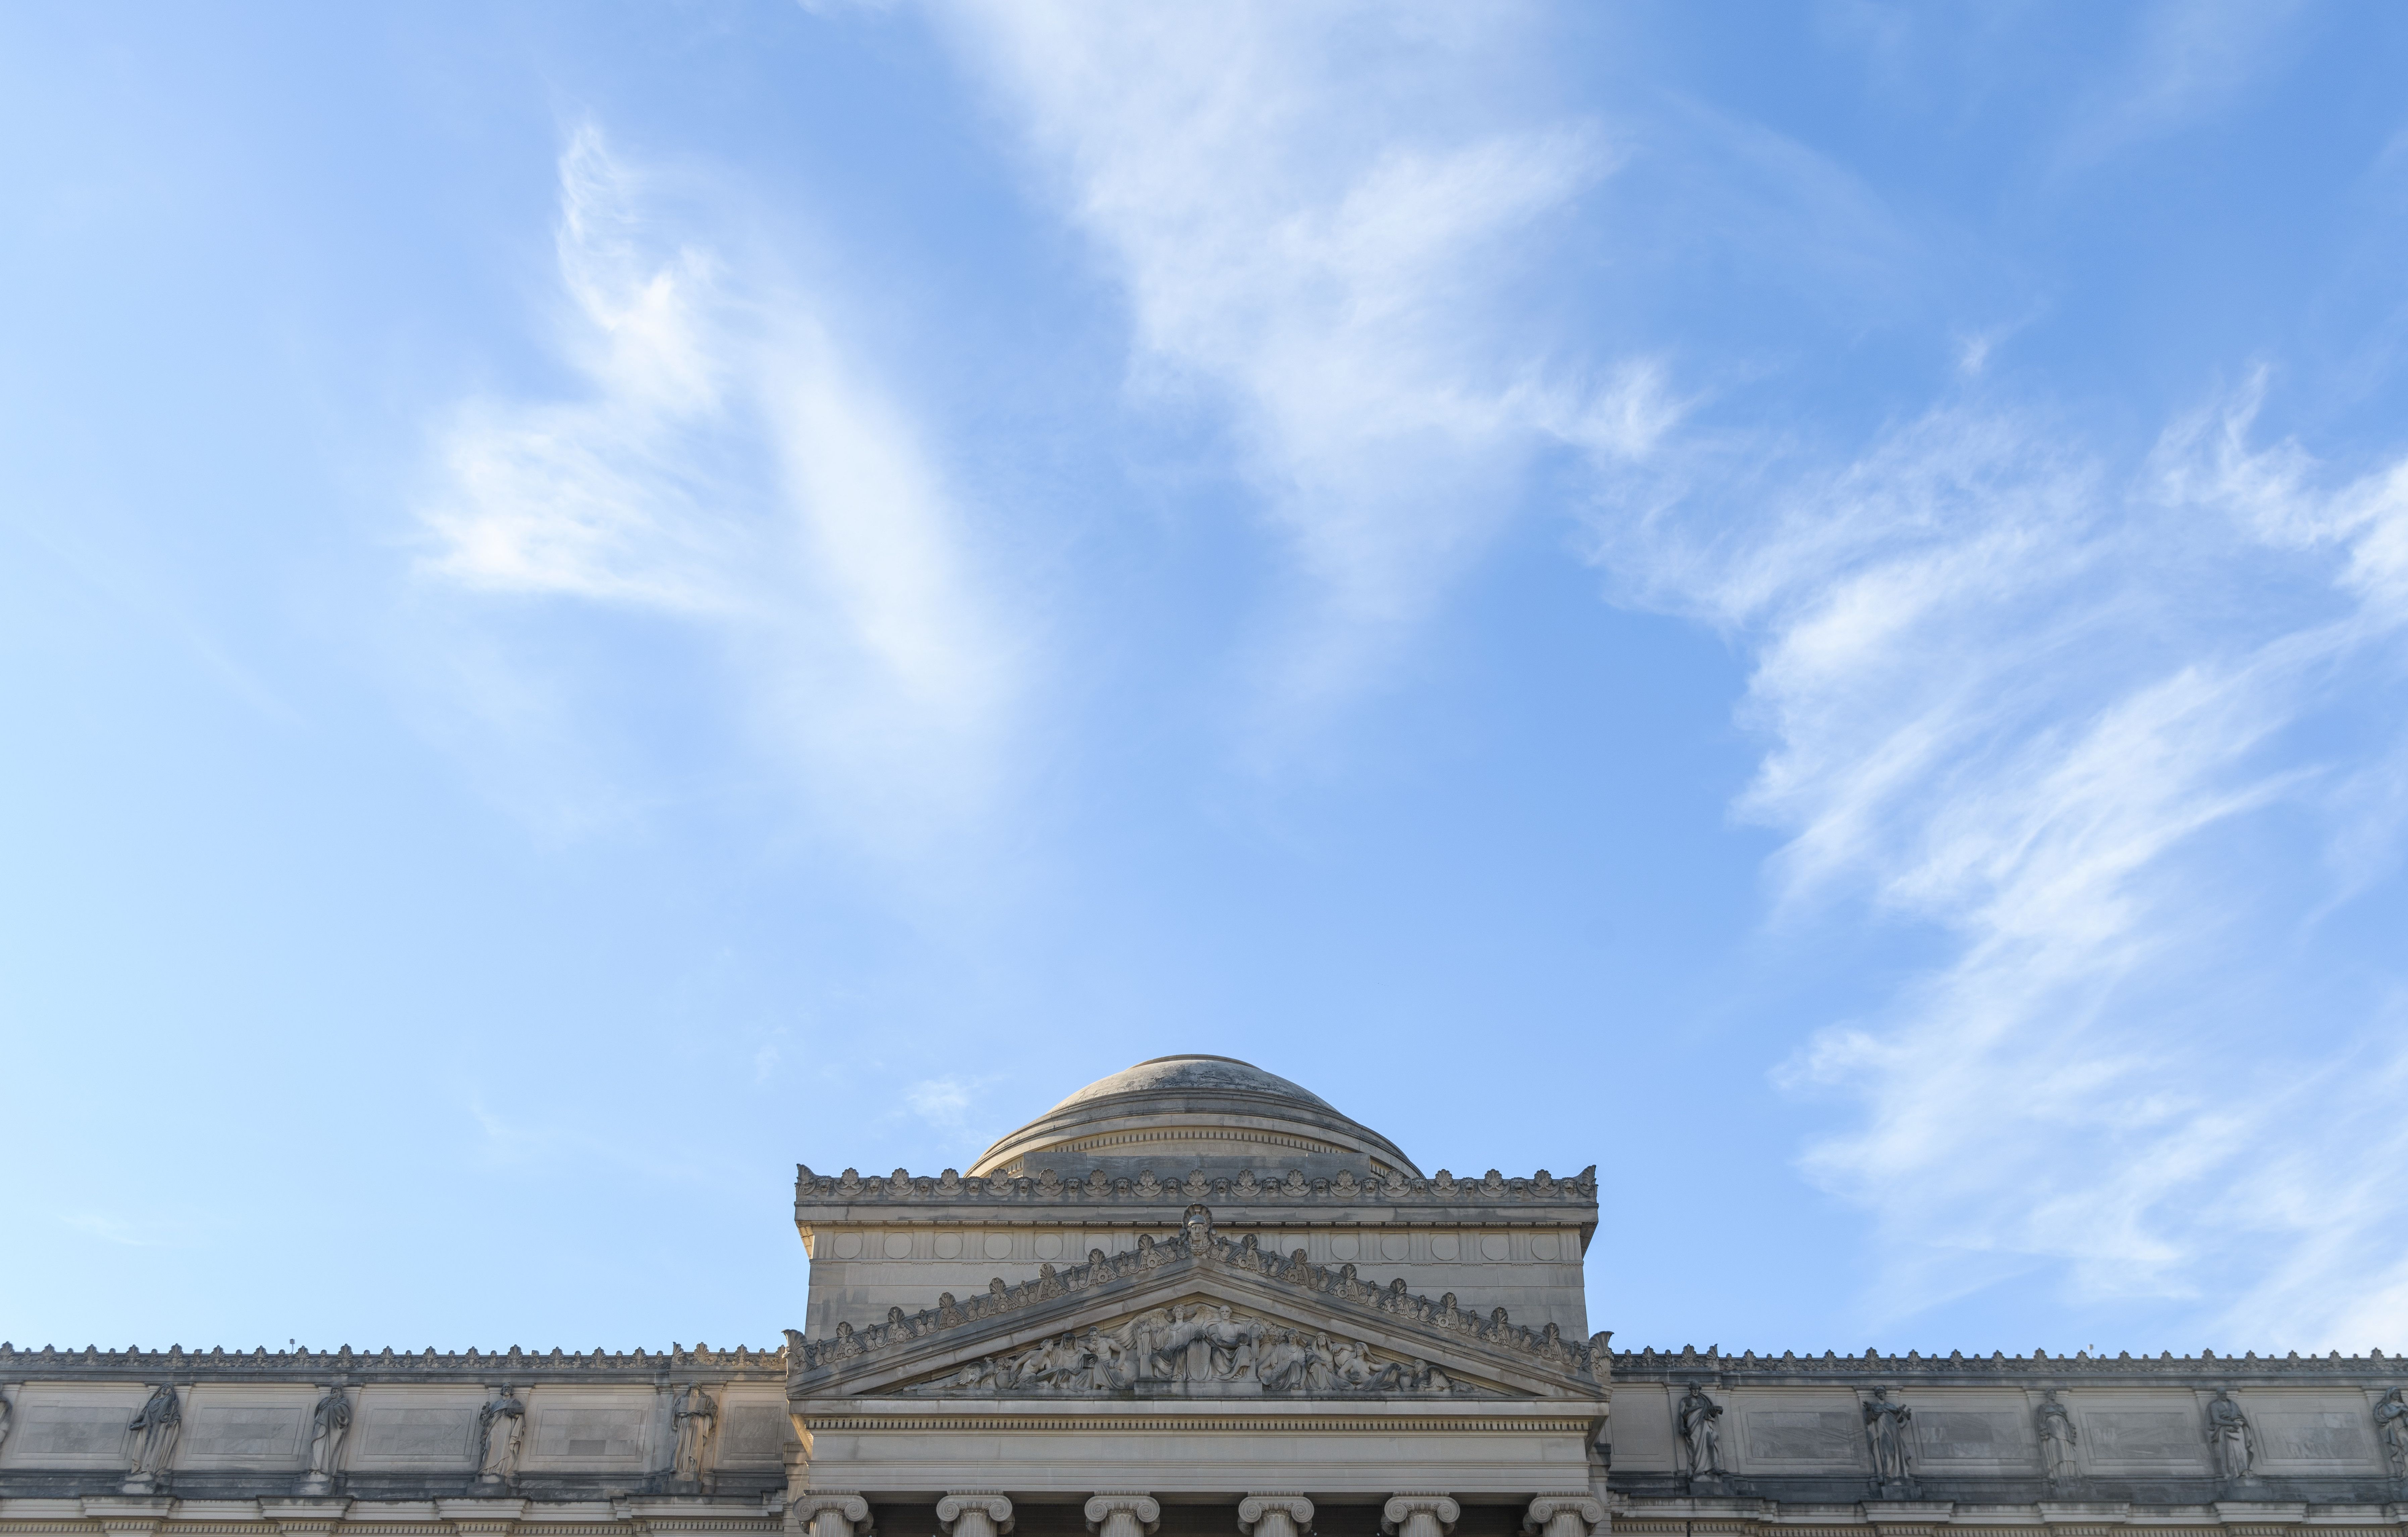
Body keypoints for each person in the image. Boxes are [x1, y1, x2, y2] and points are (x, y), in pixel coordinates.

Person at [476, 1387, 525, 1482]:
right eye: (505, 1388)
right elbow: (486, 1420)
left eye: (508, 1388)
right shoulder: (496, 1404)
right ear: (502, 1391)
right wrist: (484, 1414)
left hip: (506, 1425)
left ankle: (499, 1470)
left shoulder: (514, 1402)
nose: (506, 1389)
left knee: (503, 1446)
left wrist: (513, 1413)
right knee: (490, 1443)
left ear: (511, 1391)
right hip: (494, 1426)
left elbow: (521, 1411)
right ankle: (487, 1469)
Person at [1676, 1385, 1724, 1478]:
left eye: (1697, 1389)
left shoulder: (1704, 1400)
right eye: (1693, 1389)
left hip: (1705, 1424)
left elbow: (1711, 1414)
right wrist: (1682, 1426)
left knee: (1710, 1443)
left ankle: (1713, 1467)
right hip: (1692, 1426)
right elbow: (1681, 1414)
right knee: (1695, 1446)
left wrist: (1713, 1412)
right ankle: (1699, 1469)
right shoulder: (1685, 1400)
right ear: (1690, 1389)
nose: (1695, 1391)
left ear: (1699, 1389)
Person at [671, 1384, 716, 1482]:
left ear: (699, 1391)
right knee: (680, 1444)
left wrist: (707, 1412)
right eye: (692, 1389)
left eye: (696, 1389)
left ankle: (693, 1467)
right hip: (684, 1423)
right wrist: (681, 1417)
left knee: (695, 1445)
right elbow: (677, 1412)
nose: (693, 1391)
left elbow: (714, 1410)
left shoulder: (706, 1400)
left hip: (697, 1424)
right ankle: (675, 1466)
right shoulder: (683, 1399)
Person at [307, 1387, 351, 1478]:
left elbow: (344, 1415)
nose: (335, 1391)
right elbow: (320, 1408)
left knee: (329, 1448)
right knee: (317, 1445)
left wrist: (331, 1409)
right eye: (334, 1389)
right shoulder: (327, 1400)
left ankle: (323, 1468)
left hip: (333, 1428)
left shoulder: (344, 1401)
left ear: (341, 1391)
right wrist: (330, 1400)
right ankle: (315, 1467)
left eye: (337, 1389)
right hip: (322, 1426)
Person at [2036, 1391, 2077, 1484]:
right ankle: (2058, 1472)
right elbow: (2041, 1422)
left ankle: (2070, 1471)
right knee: (2057, 1448)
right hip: (2052, 1429)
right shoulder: (2043, 1407)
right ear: (2048, 1396)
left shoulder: (2061, 1407)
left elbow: (2066, 1419)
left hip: (2064, 1429)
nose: (2053, 1396)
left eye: (2054, 1394)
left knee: (2066, 1448)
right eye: (2051, 1394)